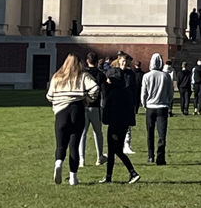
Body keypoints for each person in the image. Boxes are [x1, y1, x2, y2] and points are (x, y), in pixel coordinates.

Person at [46, 54, 95, 185]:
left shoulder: (56, 77)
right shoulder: (83, 76)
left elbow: (49, 96)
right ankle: (73, 177)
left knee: (61, 144)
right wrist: (88, 99)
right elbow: (95, 88)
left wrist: (58, 101)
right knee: (74, 145)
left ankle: (58, 162)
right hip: (77, 110)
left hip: (61, 112)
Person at [100, 65, 140, 183]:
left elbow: (106, 111)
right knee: (113, 150)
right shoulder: (127, 93)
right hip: (124, 125)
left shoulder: (112, 94)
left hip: (114, 125)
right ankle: (108, 176)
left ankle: (133, 172)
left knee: (116, 150)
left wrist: (106, 121)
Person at [140, 52, 173, 165]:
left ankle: (150, 156)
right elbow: (170, 93)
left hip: (150, 107)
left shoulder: (146, 76)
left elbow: (143, 93)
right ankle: (160, 156)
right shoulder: (166, 76)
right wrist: (167, 102)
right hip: (162, 107)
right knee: (161, 134)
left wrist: (144, 104)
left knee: (150, 133)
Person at [78, 52, 106, 167]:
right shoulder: (101, 74)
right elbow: (104, 92)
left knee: (82, 133)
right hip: (95, 106)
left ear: (87, 61)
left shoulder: (82, 74)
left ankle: (82, 159)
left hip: (83, 105)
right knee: (98, 132)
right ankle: (99, 156)